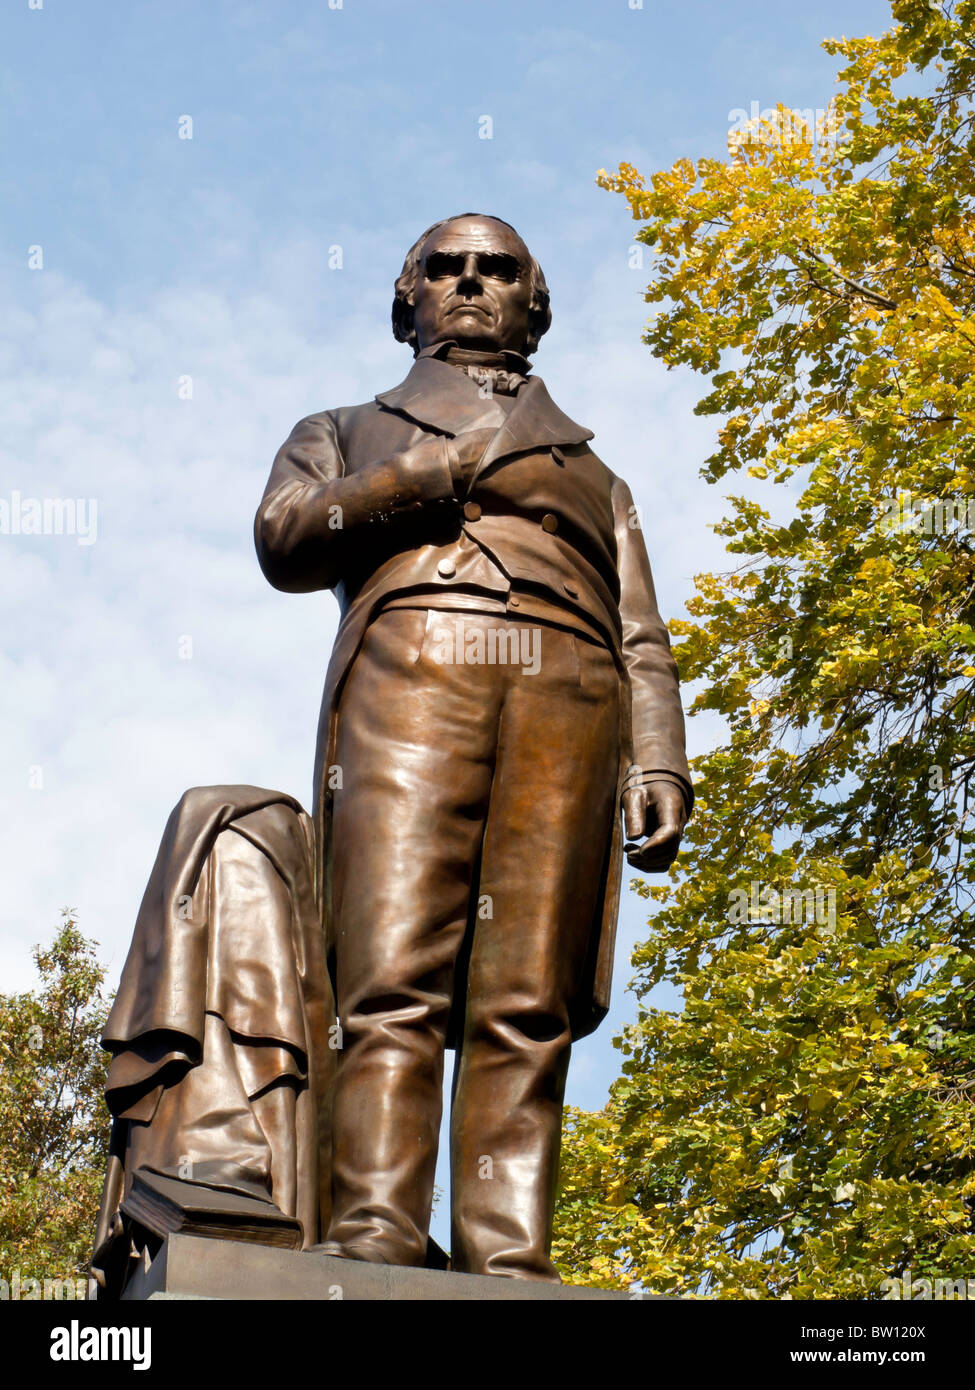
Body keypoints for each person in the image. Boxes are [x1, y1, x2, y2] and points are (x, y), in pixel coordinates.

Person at [255, 213, 692, 1281]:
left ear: (531, 305)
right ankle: (377, 1235)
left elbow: (642, 631)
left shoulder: (599, 475)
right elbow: (286, 537)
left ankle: (508, 1256)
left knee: (527, 997)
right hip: (416, 670)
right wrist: (431, 472)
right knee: (393, 969)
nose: (468, 284)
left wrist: (660, 759)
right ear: (407, 299)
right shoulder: (348, 426)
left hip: (570, 699)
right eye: (444, 269)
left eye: (496, 271)